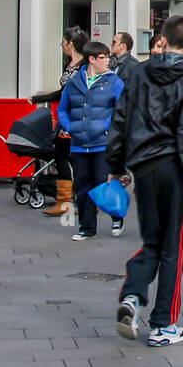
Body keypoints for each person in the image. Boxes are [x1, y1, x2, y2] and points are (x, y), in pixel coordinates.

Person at [109, 15, 183, 347]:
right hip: (176, 169)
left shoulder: (137, 73)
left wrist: (115, 164)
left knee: (152, 240)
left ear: (162, 39)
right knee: (173, 247)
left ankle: (133, 295)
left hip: (144, 168)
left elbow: (121, 118)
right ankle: (164, 323)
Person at [58, 41, 126, 241]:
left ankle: (116, 216)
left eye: (107, 57)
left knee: (103, 183)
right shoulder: (73, 83)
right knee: (82, 186)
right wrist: (69, 126)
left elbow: (122, 110)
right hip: (79, 144)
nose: (107, 61)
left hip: (102, 143)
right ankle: (87, 227)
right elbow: (63, 109)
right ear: (92, 60)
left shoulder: (114, 82)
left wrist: (107, 126)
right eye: (103, 57)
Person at [31, 25, 89, 217]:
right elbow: (62, 92)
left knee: (75, 158)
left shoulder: (84, 67)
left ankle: (84, 200)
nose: (62, 45)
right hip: (65, 119)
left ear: (71, 44)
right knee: (62, 156)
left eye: (64, 42)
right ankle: (65, 200)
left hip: (78, 119)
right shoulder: (70, 66)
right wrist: (39, 99)